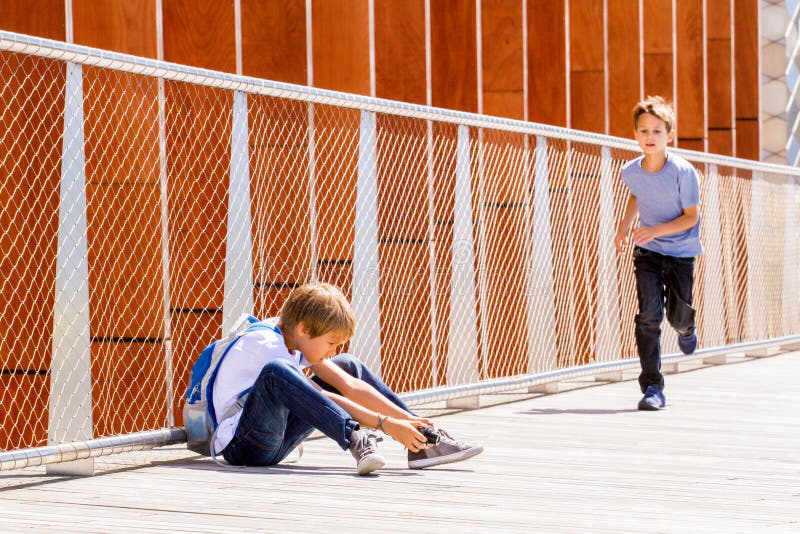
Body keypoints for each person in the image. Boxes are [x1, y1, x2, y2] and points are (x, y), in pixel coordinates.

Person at [212, 282, 483, 474]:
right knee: (277, 372)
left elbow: (347, 383)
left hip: (273, 438)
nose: (332, 350)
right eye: (331, 342)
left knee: (348, 365)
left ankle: (423, 439)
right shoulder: (266, 344)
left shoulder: (291, 335)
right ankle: (355, 438)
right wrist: (386, 425)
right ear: (304, 329)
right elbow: (319, 396)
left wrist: (406, 421)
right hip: (243, 447)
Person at [613, 96, 703, 411]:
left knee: (677, 315)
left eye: (657, 131)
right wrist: (624, 226)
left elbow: (691, 217)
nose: (649, 137)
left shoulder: (683, 172)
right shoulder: (630, 171)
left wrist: (656, 230)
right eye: (643, 131)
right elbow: (637, 195)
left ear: (670, 136)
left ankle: (686, 328)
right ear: (635, 135)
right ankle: (652, 387)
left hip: (680, 252)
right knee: (649, 315)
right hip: (648, 252)